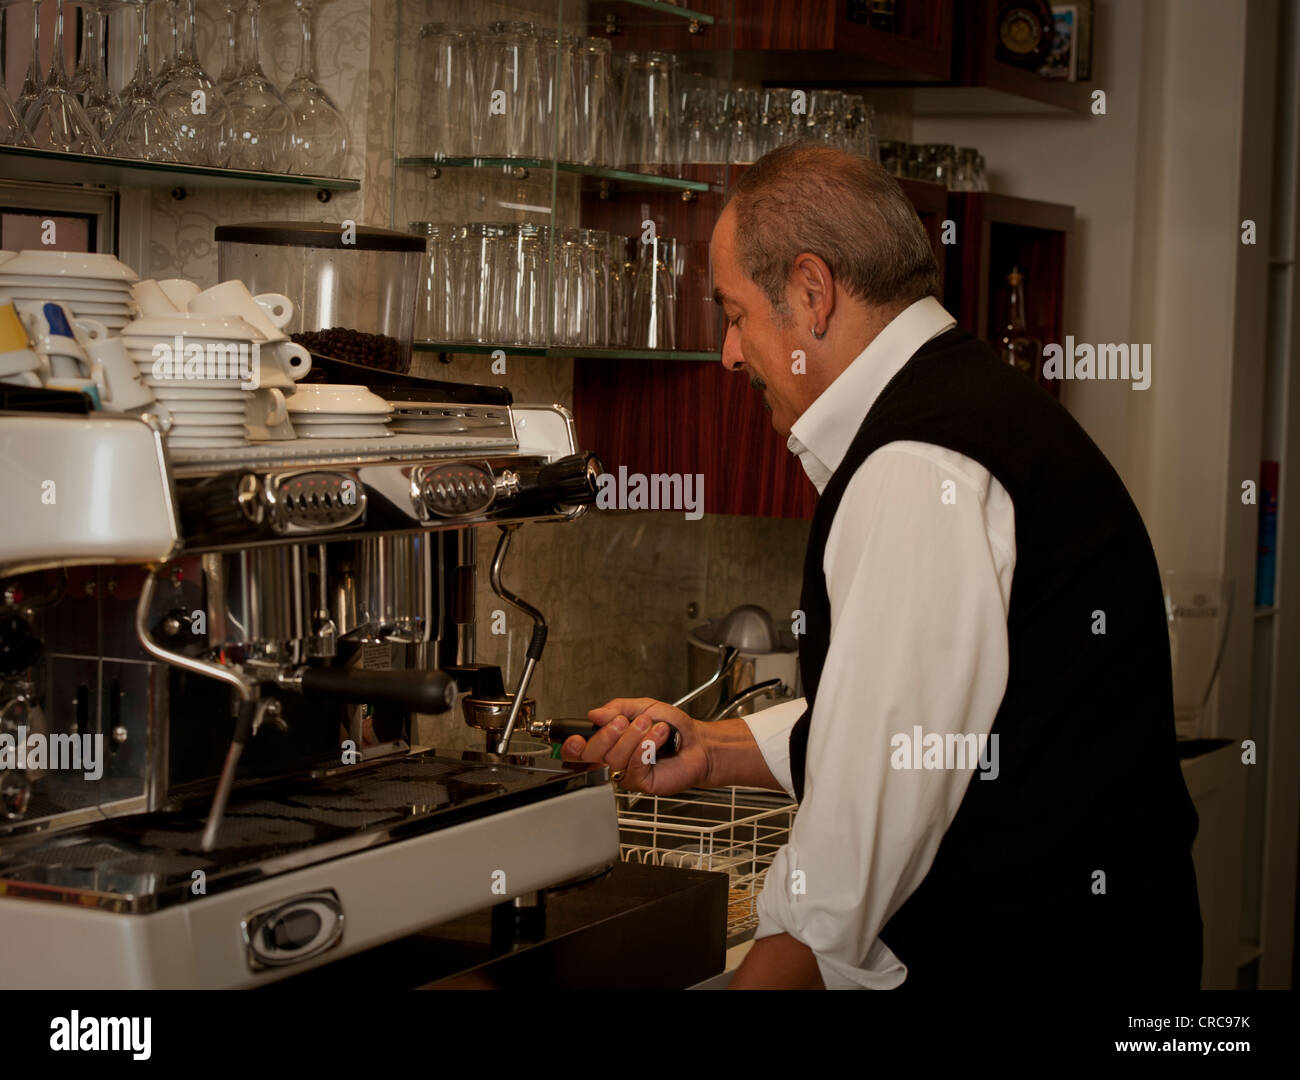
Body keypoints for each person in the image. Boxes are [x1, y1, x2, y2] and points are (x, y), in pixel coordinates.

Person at [562, 144, 1202, 990]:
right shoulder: (970, 408)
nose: (728, 352)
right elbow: (931, 726)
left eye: (735, 313)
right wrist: (713, 751)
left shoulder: (916, 467)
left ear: (812, 292)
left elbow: (831, 908)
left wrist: (779, 955)